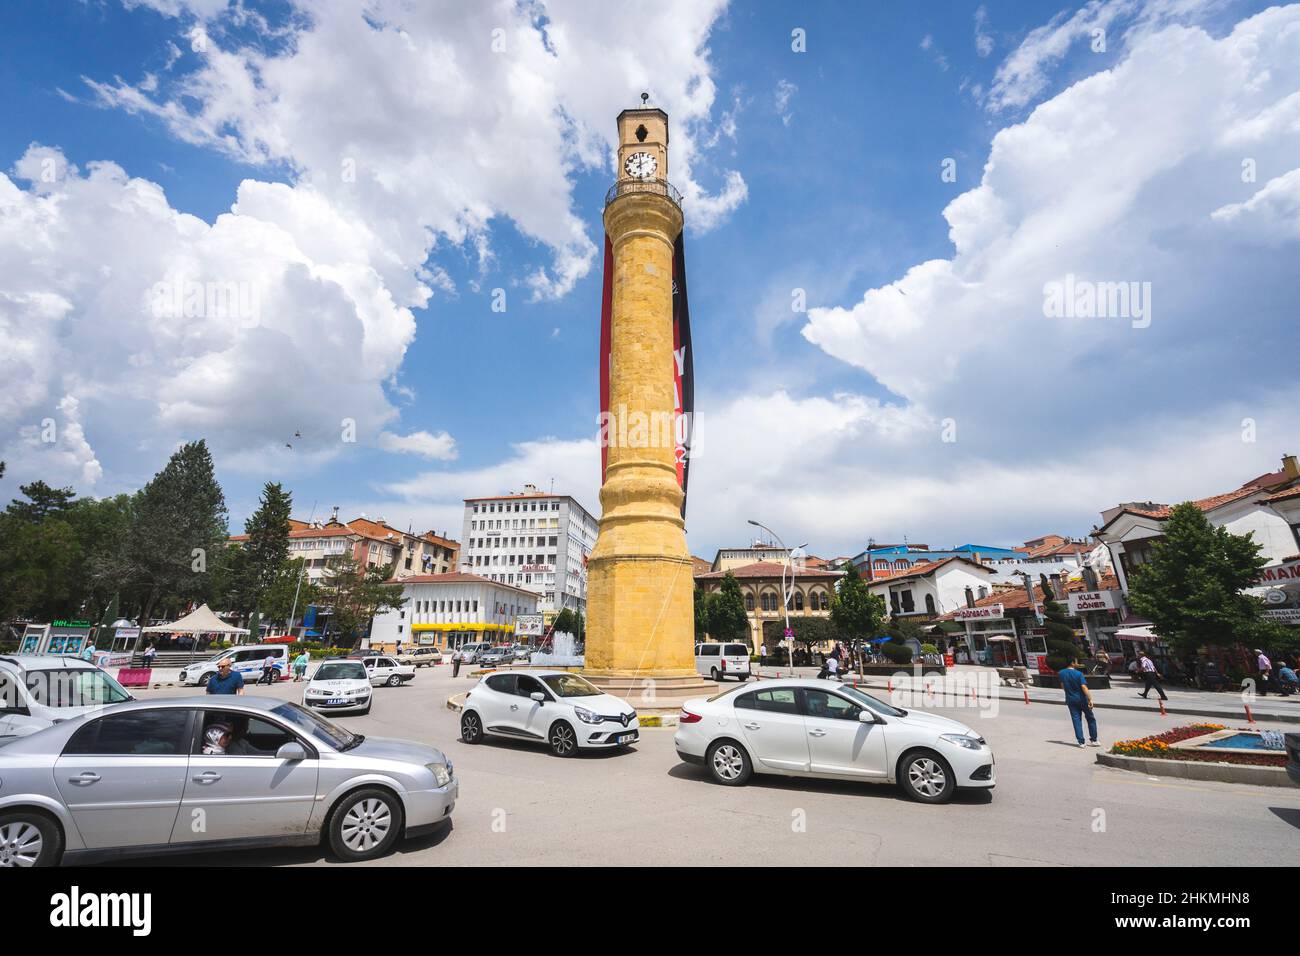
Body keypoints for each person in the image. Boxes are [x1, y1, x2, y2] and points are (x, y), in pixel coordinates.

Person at [1059, 658, 1100, 747]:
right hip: (1082, 699)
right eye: (1076, 662)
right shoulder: (1078, 674)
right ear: (1072, 663)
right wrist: (1090, 699)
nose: (1077, 663)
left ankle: (1081, 742)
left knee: (1076, 720)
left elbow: (1062, 686)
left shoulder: (1061, 673)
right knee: (1090, 718)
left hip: (1070, 700)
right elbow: (1084, 687)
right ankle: (1094, 740)